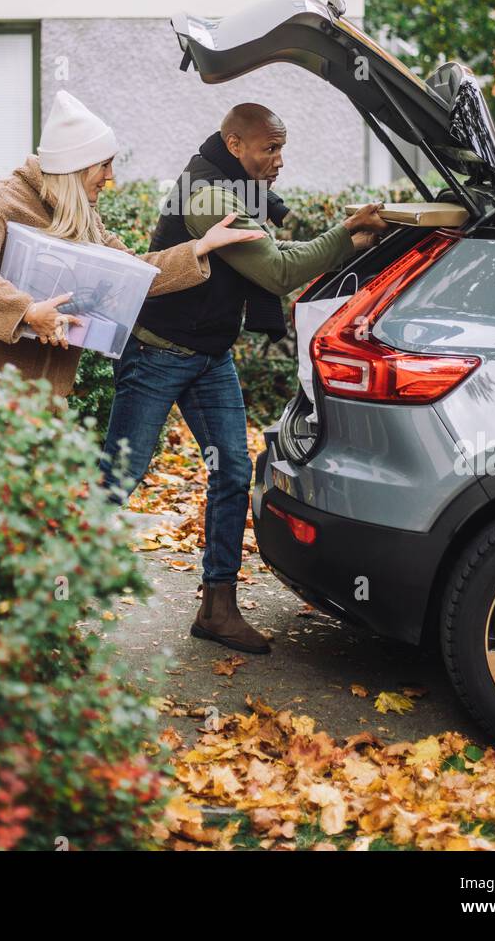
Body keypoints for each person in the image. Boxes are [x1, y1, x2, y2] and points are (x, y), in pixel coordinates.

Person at [100, 103, 388, 654]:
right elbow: (277, 269)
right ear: (235, 145)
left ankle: (218, 606)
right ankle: (37, 588)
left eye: (281, 148)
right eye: (268, 149)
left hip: (208, 355)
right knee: (121, 474)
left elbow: (279, 256)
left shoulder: (235, 183)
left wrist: (353, 245)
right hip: (159, 353)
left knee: (232, 471)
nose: (278, 161)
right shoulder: (211, 197)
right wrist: (346, 230)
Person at [0, 90, 263, 399]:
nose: (111, 176)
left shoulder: (83, 218)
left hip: (34, 398)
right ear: (74, 167)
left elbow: (133, 273)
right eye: (104, 164)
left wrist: (200, 247)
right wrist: (26, 312)